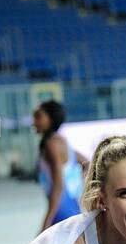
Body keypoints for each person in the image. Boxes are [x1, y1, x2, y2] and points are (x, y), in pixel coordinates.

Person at [33, 100, 88, 233]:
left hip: (62, 209)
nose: (34, 121)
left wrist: (47, 221)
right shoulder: (59, 141)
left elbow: (58, 185)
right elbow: (87, 163)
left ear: (51, 119)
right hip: (71, 206)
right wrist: (77, 186)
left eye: (38, 117)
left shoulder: (52, 145)